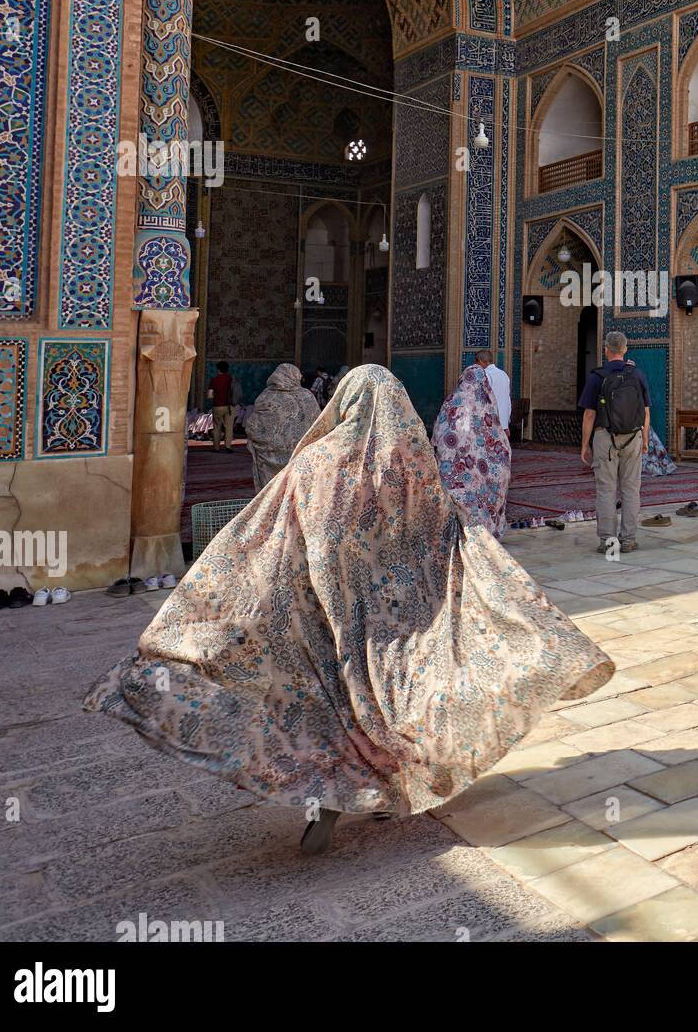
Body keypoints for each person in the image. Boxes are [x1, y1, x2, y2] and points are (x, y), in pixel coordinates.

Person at [84, 366, 613, 856]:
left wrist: (220, 597)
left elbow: (263, 536)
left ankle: (337, 797)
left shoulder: (314, 464)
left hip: (324, 621)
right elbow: (451, 535)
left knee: (327, 701)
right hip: (400, 628)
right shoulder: (412, 467)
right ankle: (381, 789)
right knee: (396, 707)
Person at [579, 331, 650, 554]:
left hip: (605, 438)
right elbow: (646, 412)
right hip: (633, 437)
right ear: (625, 349)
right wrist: (645, 439)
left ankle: (608, 541)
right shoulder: (637, 375)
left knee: (606, 490)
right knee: (631, 489)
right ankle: (628, 540)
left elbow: (589, 414)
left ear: (606, 350)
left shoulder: (597, 377)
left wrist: (584, 444)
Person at [433, 363, 512, 537]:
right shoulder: (488, 408)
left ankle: (457, 533)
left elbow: (439, 432)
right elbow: (498, 440)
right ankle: (483, 531)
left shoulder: (451, 403)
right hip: (476, 470)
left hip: (454, 468)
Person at [243, 362, 320, 491]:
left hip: (269, 459)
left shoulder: (266, 397)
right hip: (301, 457)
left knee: (272, 494)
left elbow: (253, 427)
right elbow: (319, 425)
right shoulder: (307, 397)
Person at [474, 349, 512, 435]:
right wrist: (506, 422)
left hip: (490, 421)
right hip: (503, 421)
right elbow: (507, 400)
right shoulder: (504, 374)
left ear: (479, 361)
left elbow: (481, 399)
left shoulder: (485, 375)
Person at [206, 361, 239, 453]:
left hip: (217, 406)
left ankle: (216, 447)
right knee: (229, 427)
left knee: (217, 427)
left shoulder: (214, 380)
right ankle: (228, 446)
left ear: (218, 369)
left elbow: (210, 396)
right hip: (230, 406)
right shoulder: (231, 379)